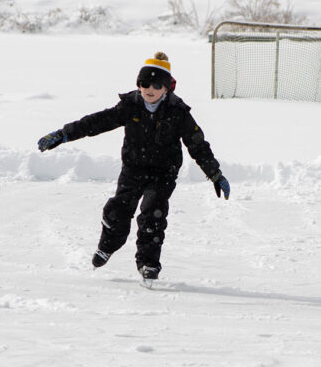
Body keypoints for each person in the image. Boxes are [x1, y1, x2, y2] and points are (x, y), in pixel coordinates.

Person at [37, 52, 230, 286]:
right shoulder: (130, 106)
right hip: (133, 169)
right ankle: (107, 246)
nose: (148, 89)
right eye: (143, 83)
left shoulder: (178, 112)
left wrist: (215, 174)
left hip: (163, 173)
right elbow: (97, 122)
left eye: (155, 85)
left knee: (153, 214)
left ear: (167, 88)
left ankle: (148, 263)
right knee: (118, 210)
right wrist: (64, 134)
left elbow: (198, 145)